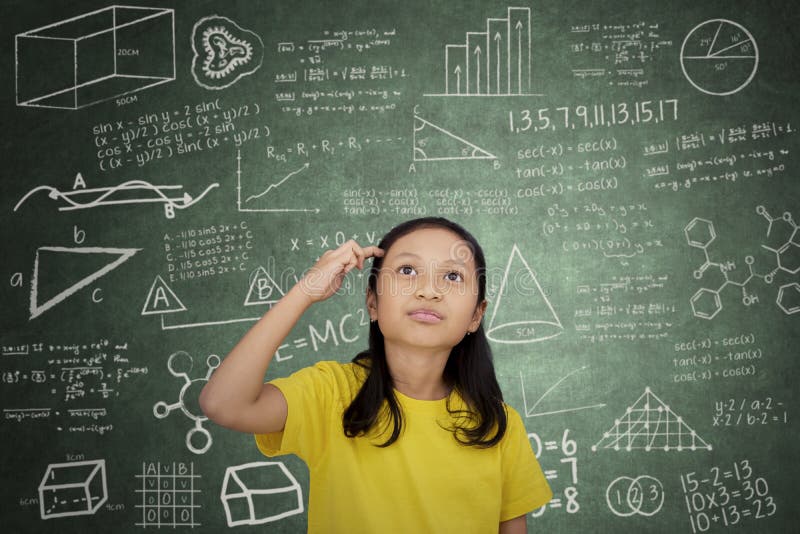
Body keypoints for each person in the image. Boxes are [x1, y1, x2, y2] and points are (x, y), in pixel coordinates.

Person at [200, 217, 552, 533]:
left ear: (476, 316)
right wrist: (306, 290)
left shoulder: (498, 425)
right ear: (372, 303)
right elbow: (222, 404)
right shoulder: (332, 393)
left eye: (452, 276)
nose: (429, 291)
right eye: (408, 270)